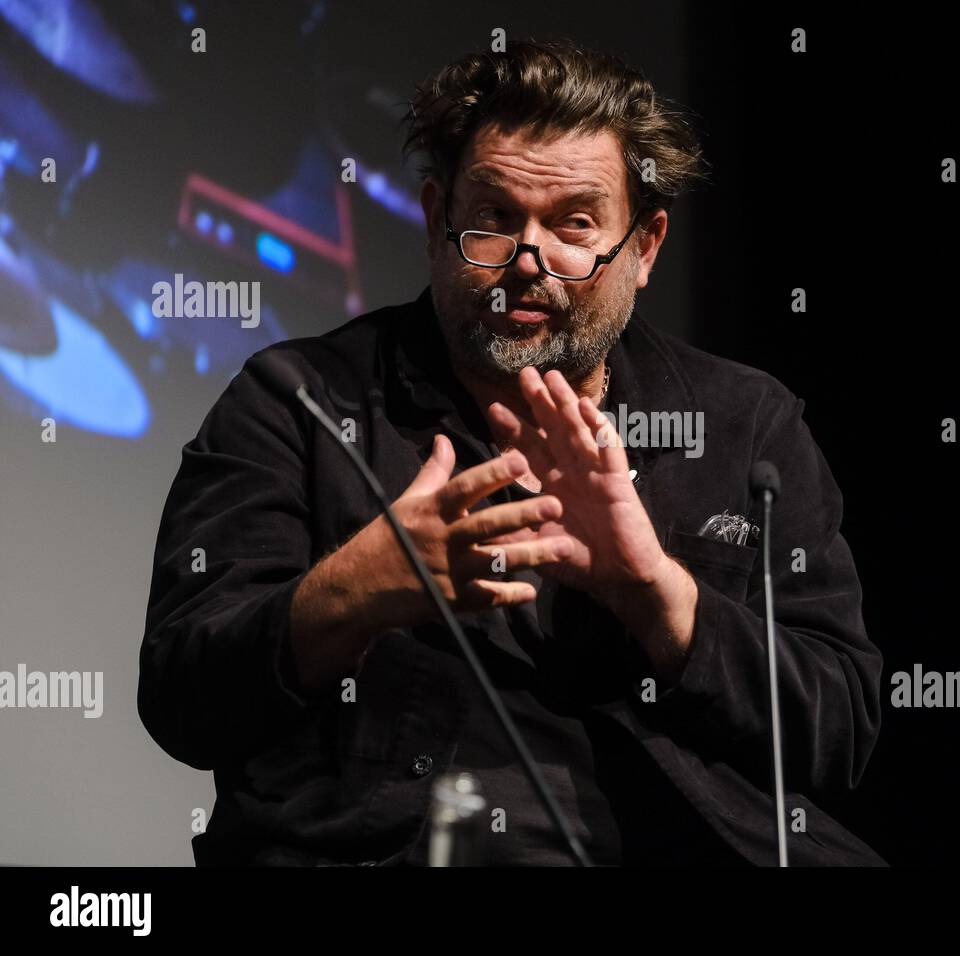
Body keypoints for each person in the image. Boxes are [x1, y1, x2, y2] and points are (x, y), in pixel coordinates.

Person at [138, 37, 885, 866]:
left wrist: (655, 594)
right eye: (494, 217)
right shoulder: (300, 402)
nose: (528, 261)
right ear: (435, 221)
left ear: (644, 248)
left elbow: (837, 730)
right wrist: (360, 588)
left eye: (574, 223)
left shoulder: (744, 421)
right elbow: (181, 695)